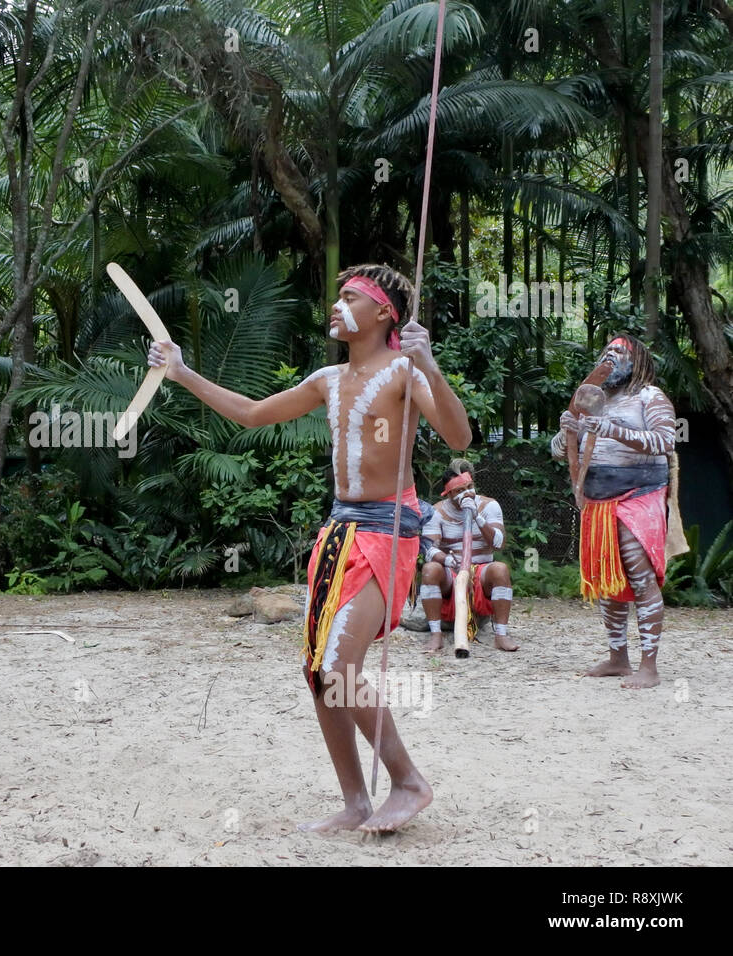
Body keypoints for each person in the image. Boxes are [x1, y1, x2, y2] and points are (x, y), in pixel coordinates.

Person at [147, 263, 471, 833]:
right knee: (317, 671)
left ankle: (409, 782)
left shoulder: (404, 369)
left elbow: (459, 438)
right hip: (338, 533)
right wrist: (181, 372)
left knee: (340, 665)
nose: (336, 305)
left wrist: (431, 366)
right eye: (338, 296)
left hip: (388, 531)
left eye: (350, 297)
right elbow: (250, 415)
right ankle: (354, 801)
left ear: (383, 313)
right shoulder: (326, 379)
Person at [551, 333, 682, 689]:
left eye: (618, 352)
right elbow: (559, 451)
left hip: (639, 496)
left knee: (640, 578)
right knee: (608, 582)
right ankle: (618, 658)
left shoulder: (648, 396)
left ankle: (649, 667)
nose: (609, 358)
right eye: (606, 352)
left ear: (637, 360)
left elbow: (665, 441)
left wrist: (611, 428)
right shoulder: (593, 398)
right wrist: (567, 433)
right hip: (598, 503)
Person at [420, 459, 518, 652]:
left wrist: (477, 518)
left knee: (501, 569)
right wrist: (447, 559)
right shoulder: (436, 511)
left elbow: (499, 543)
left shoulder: (489, 506)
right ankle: (436, 635)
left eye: (470, 487)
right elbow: (428, 549)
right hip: (452, 573)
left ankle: (501, 635)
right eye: (459, 490)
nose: (467, 493)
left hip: (482, 571)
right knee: (430, 569)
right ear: (448, 494)